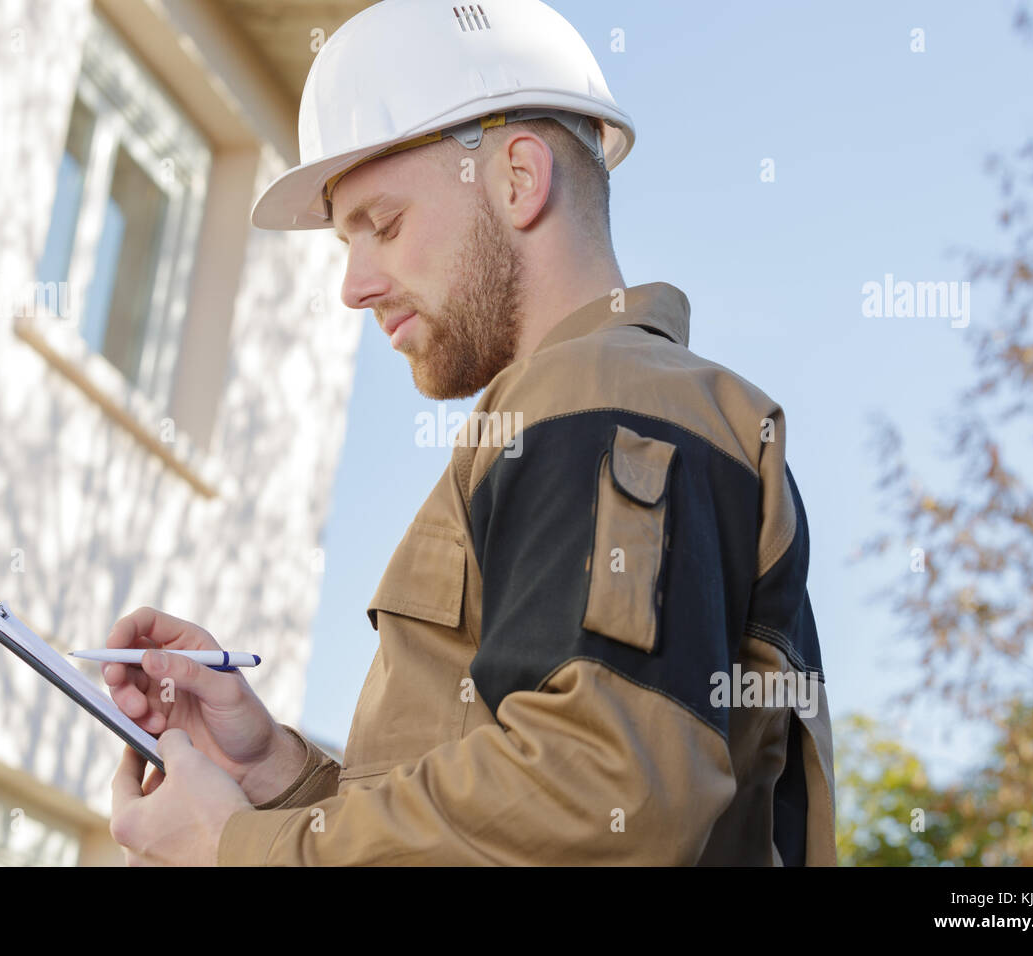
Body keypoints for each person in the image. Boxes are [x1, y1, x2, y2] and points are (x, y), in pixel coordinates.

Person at [107, 0, 835, 866]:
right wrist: (271, 772)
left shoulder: (603, 399)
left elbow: (602, 796)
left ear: (519, 180)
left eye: (384, 224)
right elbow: (511, 812)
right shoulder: (583, 409)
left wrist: (240, 849)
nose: (354, 285)